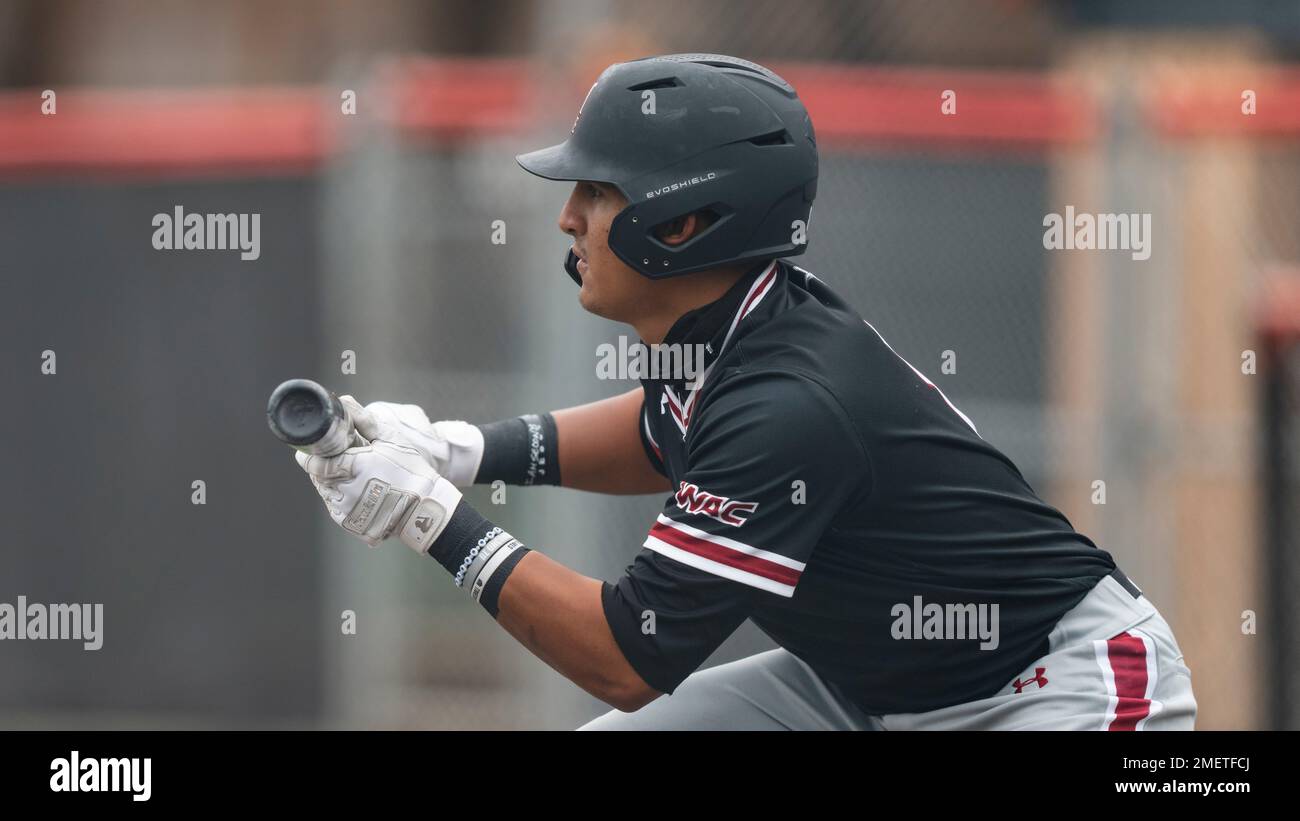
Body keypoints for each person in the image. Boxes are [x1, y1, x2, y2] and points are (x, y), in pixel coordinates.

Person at [293, 53, 1196, 730]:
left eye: (599, 190)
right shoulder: (734, 326)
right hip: (868, 687)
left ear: (682, 223)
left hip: (1051, 686)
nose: (568, 216)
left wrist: (433, 518)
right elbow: (659, 430)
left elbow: (627, 653)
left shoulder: (788, 400)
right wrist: (463, 449)